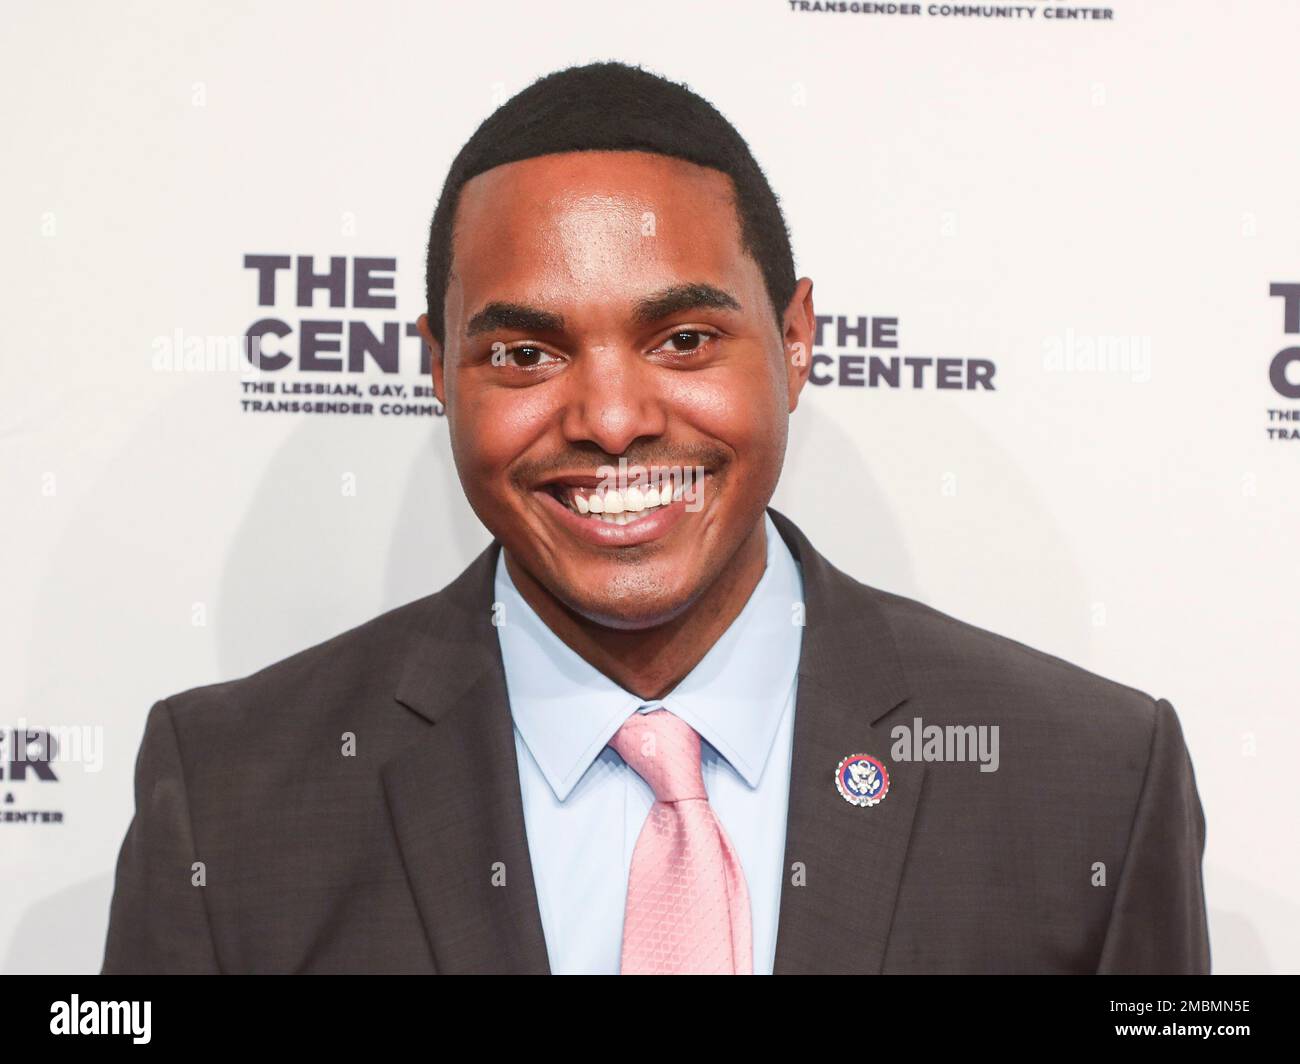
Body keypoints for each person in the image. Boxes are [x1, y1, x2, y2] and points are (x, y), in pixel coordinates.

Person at [102, 61, 1210, 975]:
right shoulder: (231, 799)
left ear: (796, 341)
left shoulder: (1090, 783)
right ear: (437, 369)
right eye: (524, 353)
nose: (614, 420)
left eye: (682, 339)